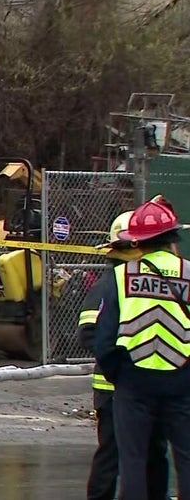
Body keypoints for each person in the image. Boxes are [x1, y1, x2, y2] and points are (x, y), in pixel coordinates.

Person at [94, 196, 190, 500]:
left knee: (133, 461)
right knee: (186, 460)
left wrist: (119, 376)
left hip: (134, 382)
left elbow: (104, 340)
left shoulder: (121, 277)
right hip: (182, 381)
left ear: (138, 241)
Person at [79, 210, 169, 500]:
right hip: (118, 389)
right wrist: (119, 368)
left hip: (144, 387)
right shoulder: (112, 283)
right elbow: (88, 333)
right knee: (116, 455)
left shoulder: (138, 281)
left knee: (152, 453)